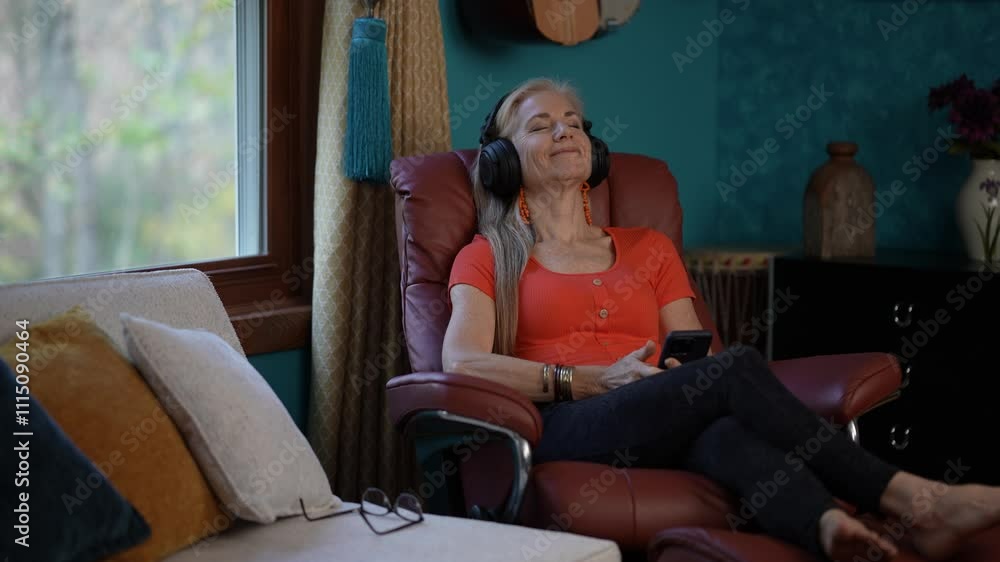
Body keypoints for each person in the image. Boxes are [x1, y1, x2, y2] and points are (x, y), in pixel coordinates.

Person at [440, 77, 1000, 561]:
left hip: (654, 411)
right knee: (735, 370)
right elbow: (461, 363)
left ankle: (827, 528)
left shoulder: (649, 248)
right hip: (563, 423)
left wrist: (676, 377)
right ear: (503, 159)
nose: (565, 131)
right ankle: (912, 499)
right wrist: (585, 378)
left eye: (573, 122)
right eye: (541, 126)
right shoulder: (489, 255)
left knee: (725, 429)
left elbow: (696, 359)